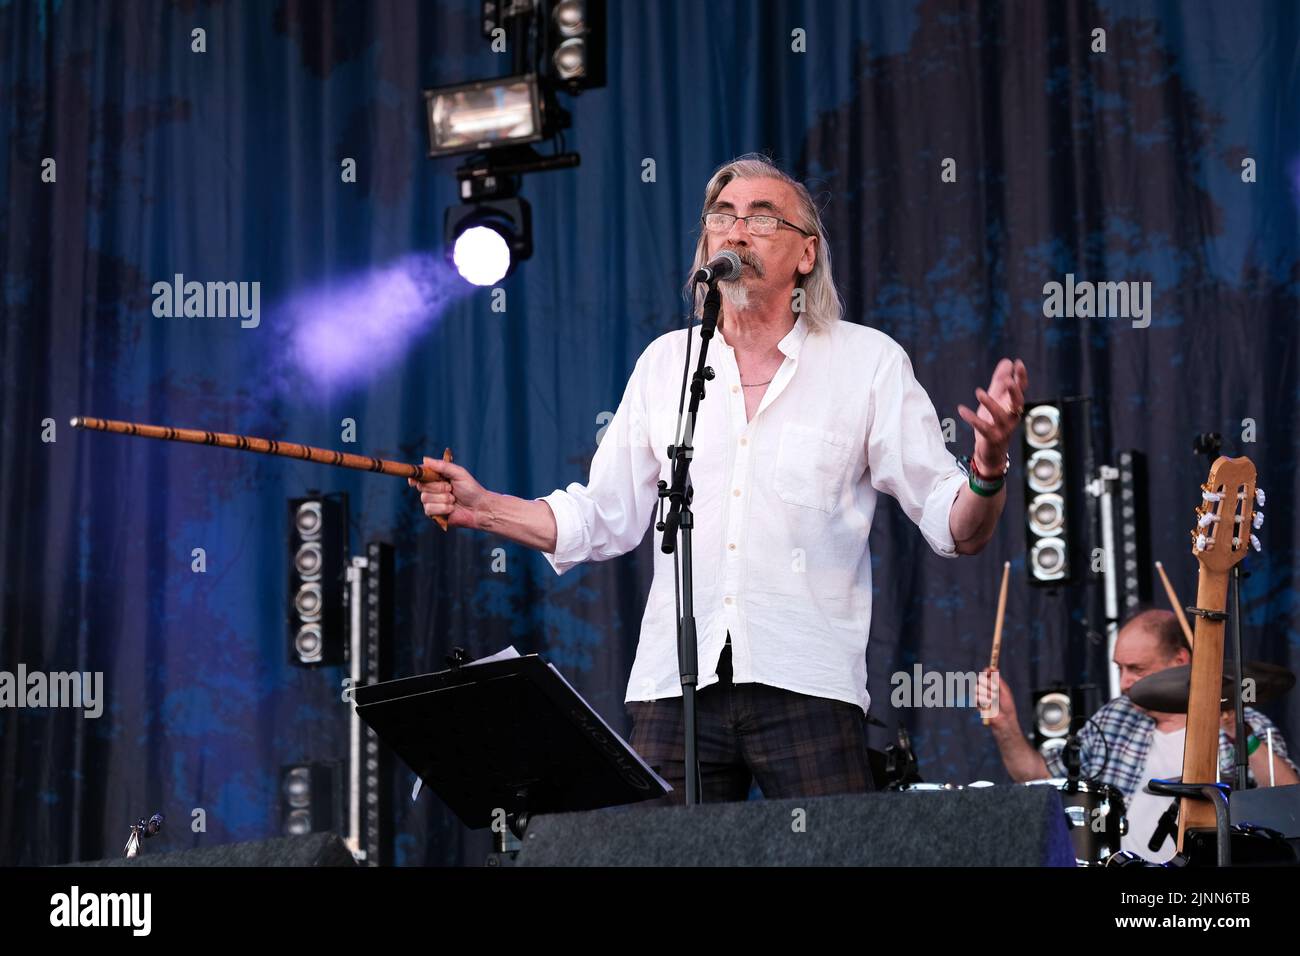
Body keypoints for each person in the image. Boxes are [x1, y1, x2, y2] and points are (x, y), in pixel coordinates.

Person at [411, 153, 1029, 804]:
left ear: (807, 255)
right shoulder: (665, 366)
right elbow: (602, 516)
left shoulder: (866, 363)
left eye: (762, 218)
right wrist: (485, 509)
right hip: (672, 685)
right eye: (722, 216)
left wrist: (987, 467)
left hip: (807, 679)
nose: (735, 231)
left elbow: (953, 525)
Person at [980, 608, 1299, 862]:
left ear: (1180, 661)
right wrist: (1005, 725)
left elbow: (1289, 807)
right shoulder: (1117, 715)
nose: (1124, 682)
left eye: (1136, 669)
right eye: (1119, 668)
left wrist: (1239, 733)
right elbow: (1040, 777)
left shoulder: (1244, 723)